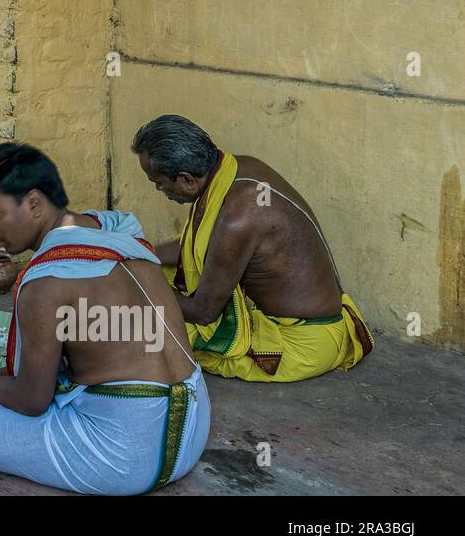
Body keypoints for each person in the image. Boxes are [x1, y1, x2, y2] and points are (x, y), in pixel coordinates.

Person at [0, 142, 209, 495]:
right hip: (192, 429)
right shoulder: (118, 229)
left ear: (34, 203)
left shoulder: (45, 284)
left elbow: (32, 400)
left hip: (123, 459)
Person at [131, 115, 374, 382]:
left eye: (159, 182)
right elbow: (191, 244)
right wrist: (136, 254)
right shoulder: (239, 167)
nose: (158, 189)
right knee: (147, 274)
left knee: (139, 324)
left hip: (301, 343)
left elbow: (203, 312)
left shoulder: (238, 217)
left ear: (187, 180)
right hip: (315, 318)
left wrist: (138, 290)